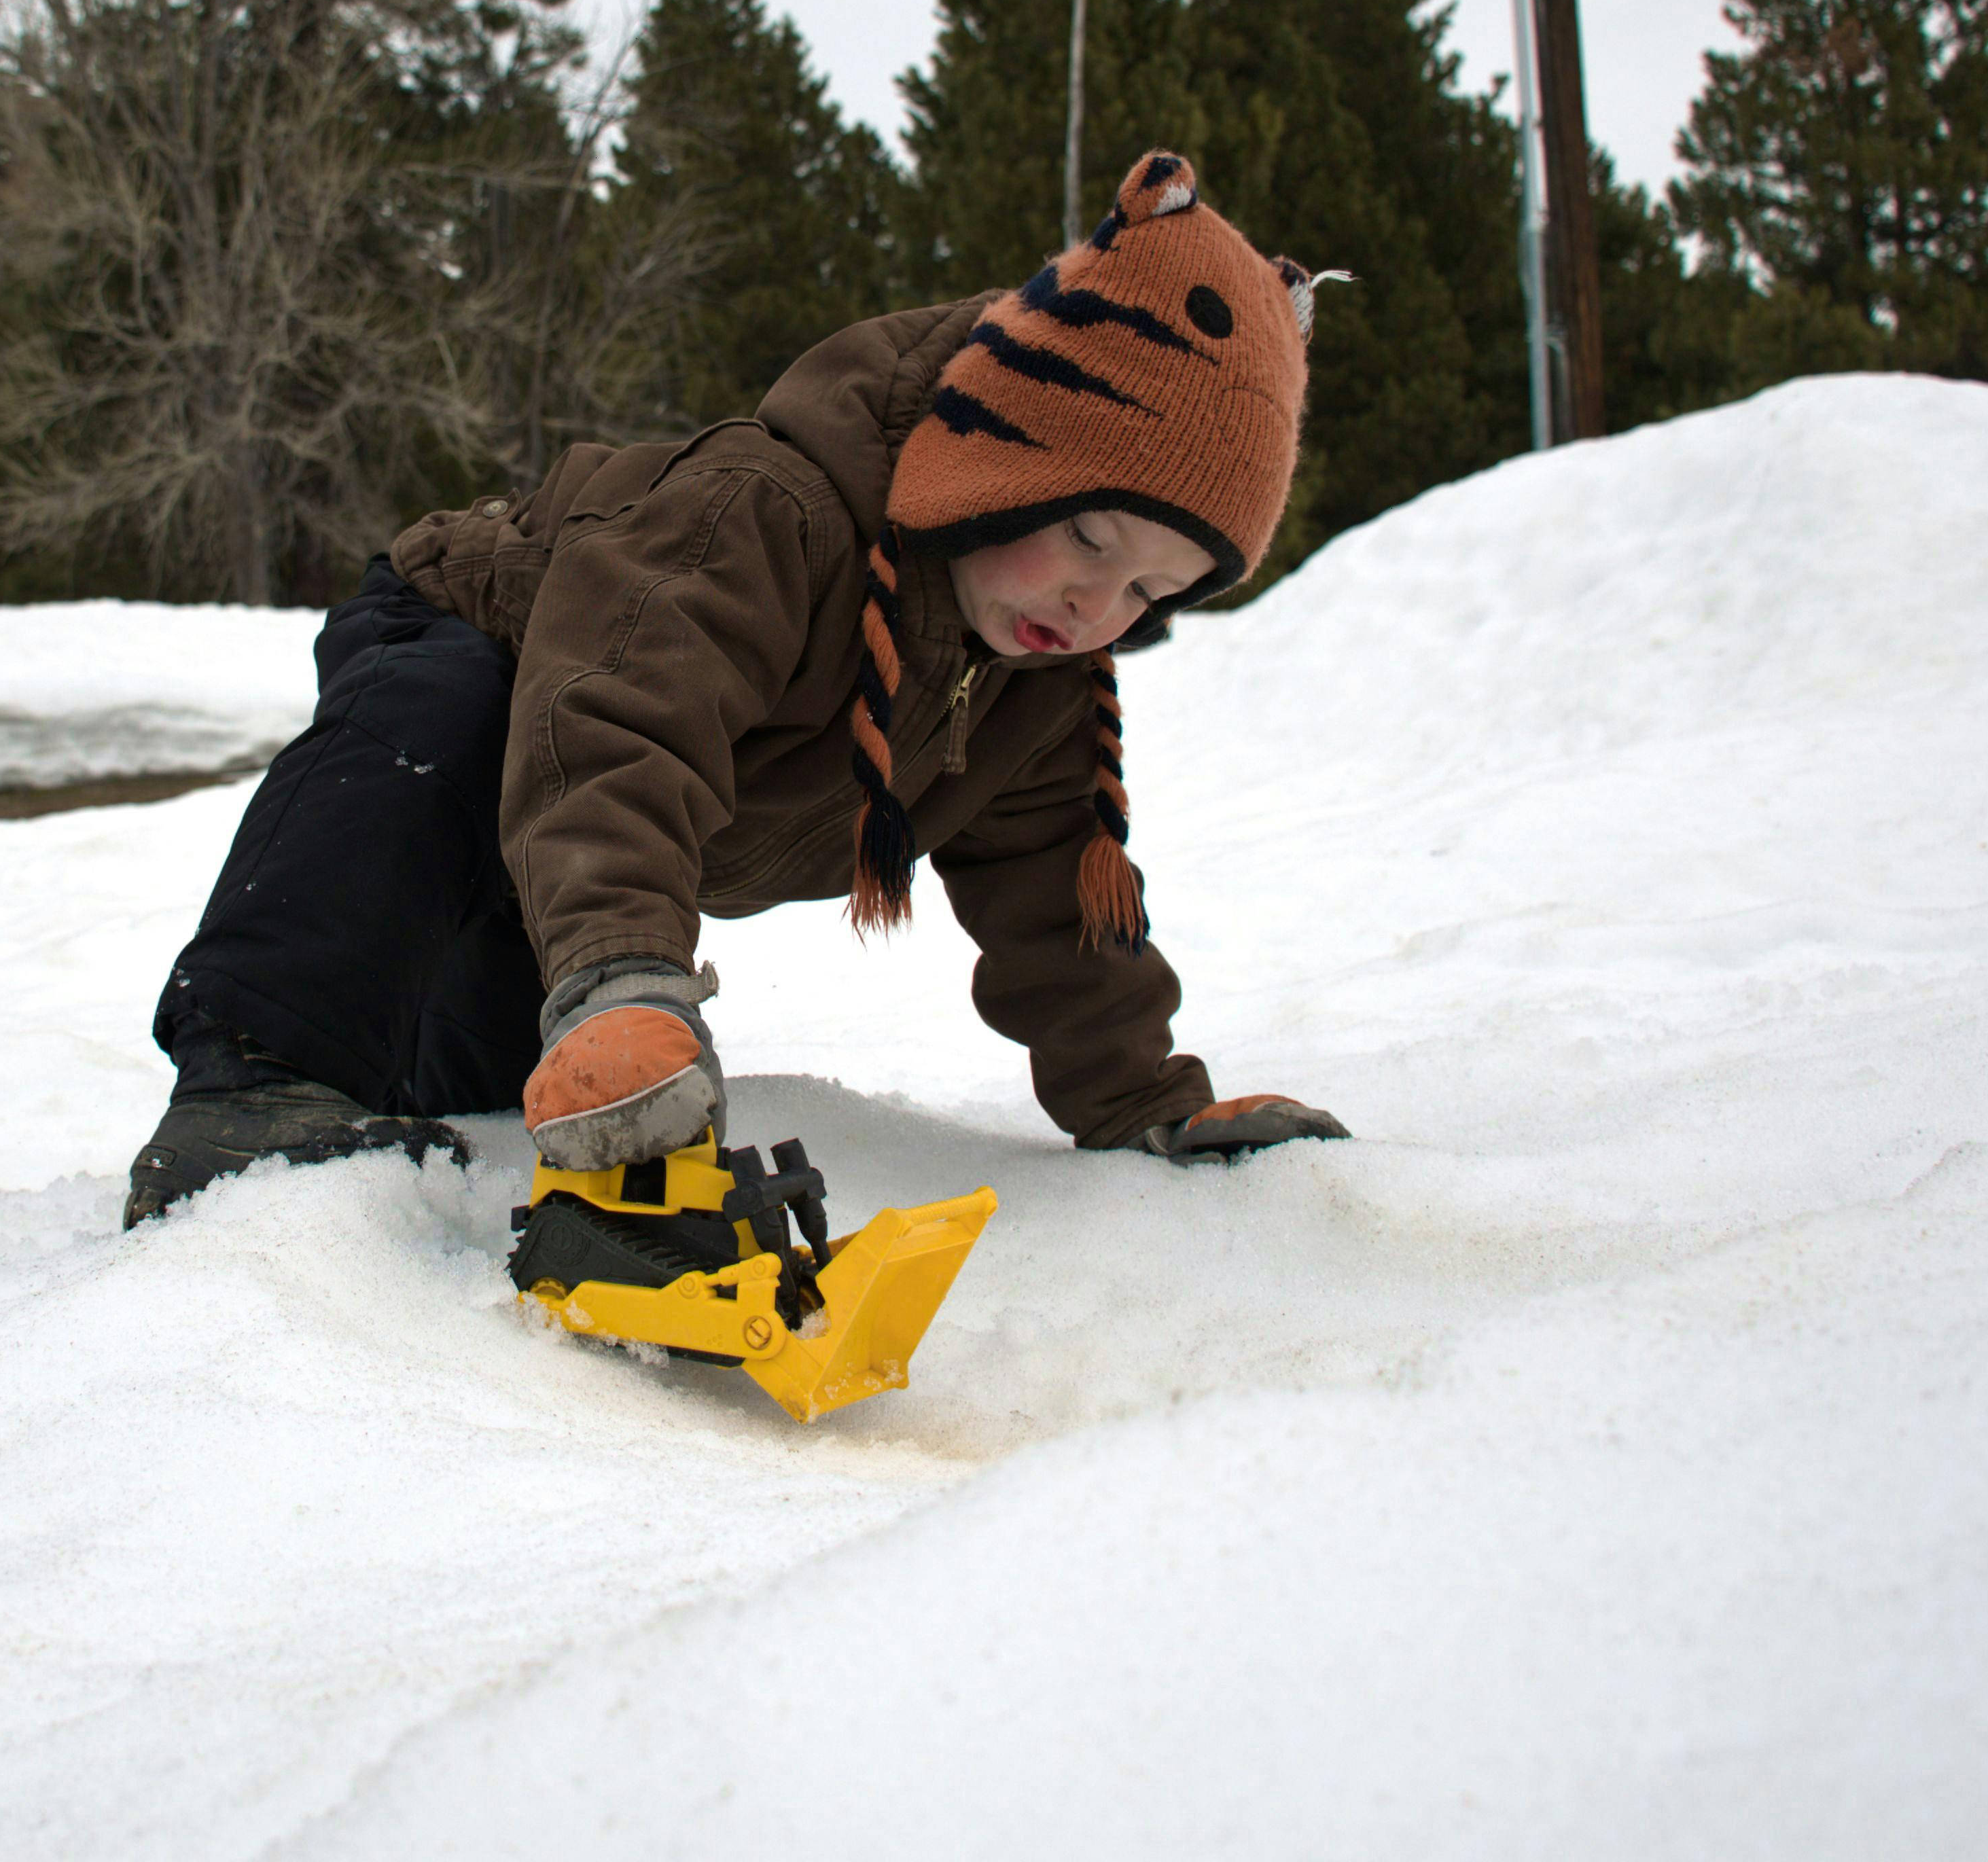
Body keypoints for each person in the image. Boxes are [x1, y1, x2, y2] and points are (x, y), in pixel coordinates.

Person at [122, 149, 1348, 1228]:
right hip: (491, 638)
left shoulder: (1038, 678)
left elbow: (1055, 907)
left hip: (587, 788)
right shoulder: (769, 517)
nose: (1098, 608)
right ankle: (252, 1087)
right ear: (1003, 455)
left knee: (517, 1075)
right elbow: (620, 731)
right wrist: (624, 978)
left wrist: (1141, 1105)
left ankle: (408, 1136)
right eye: (1087, 539)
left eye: (1150, 591)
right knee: (435, 741)